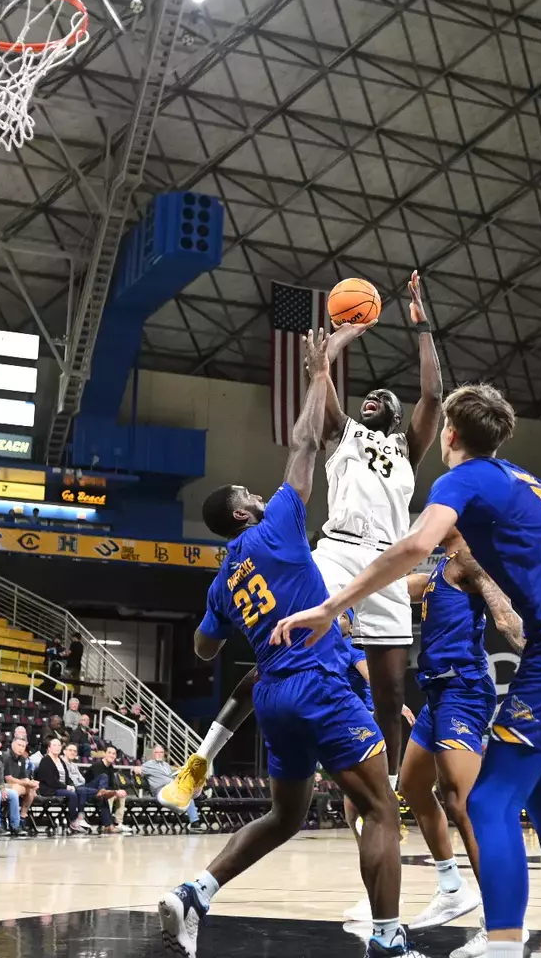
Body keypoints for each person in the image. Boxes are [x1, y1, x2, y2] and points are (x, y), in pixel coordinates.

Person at [274, 376, 541, 958]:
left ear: (449, 434)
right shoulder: (532, 484)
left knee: (488, 802)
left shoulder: (463, 486)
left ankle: (501, 945)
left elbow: (413, 546)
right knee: (539, 794)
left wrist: (329, 606)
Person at [158, 327, 413, 958]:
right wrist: (318, 373)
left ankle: (195, 891)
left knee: (286, 816)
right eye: (248, 495)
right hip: (318, 685)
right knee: (382, 809)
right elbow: (305, 440)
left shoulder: (222, 581)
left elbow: (204, 650)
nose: (257, 493)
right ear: (243, 514)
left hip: (273, 697)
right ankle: (388, 940)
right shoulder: (277, 524)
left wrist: (227, 614)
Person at [165, 282, 440, 814]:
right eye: (369, 394)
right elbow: (319, 392)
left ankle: (384, 802)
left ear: (396, 415)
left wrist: (423, 328)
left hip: (387, 561)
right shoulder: (344, 433)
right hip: (337, 552)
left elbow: (432, 395)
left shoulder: (409, 446)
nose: (374, 397)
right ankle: (201, 759)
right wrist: (332, 350)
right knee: (282, 655)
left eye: (384, 397)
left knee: (390, 695)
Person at [393, 531, 522, 935]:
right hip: (437, 694)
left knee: (464, 805)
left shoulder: (467, 558)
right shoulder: (437, 573)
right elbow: (393, 586)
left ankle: (500, 923)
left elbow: (505, 617)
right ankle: (451, 888)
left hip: (463, 691)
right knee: (413, 786)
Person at [141, 744, 202, 829]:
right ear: (152, 754)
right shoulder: (147, 765)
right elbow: (137, 769)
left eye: (161, 752)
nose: (159, 754)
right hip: (160, 791)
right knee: (185, 794)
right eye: (156, 752)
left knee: (187, 790)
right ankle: (195, 821)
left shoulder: (166, 765)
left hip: (172, 789)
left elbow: (175, 772)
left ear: (164, 754)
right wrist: (136, 770)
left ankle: (195, 821)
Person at [3, 733, 40, 831]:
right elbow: (8, 779)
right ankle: (8, 816)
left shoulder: (22, 759)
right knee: (18, 788)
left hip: (17, 784)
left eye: (23, 746)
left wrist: (31, 783)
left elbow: (24, 777)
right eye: (19, 745)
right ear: (13, 744)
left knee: (31, 790)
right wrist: (26, 783)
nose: (21, 748)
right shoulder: (6, 757)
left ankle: (22, 817)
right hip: (3, 784)